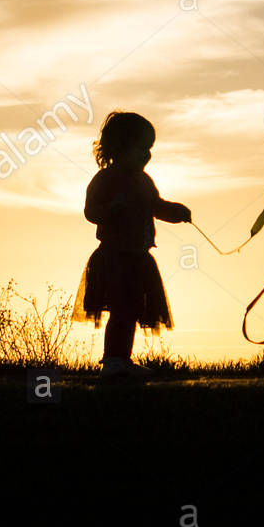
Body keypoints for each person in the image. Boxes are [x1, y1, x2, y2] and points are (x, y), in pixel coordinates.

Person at [73, 111, 191, 380]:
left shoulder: (144, 181)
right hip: (115, 258)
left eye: (150, 149)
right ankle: (114, 360)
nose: (147, 155)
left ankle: (121, 359)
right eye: (142, 148)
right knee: (121, 308)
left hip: (139, 257)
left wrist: (176, 212)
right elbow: (90, 212)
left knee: (133, 308)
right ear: (121, 147)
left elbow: (156, 206)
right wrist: (111, 209)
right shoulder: (105, 179)